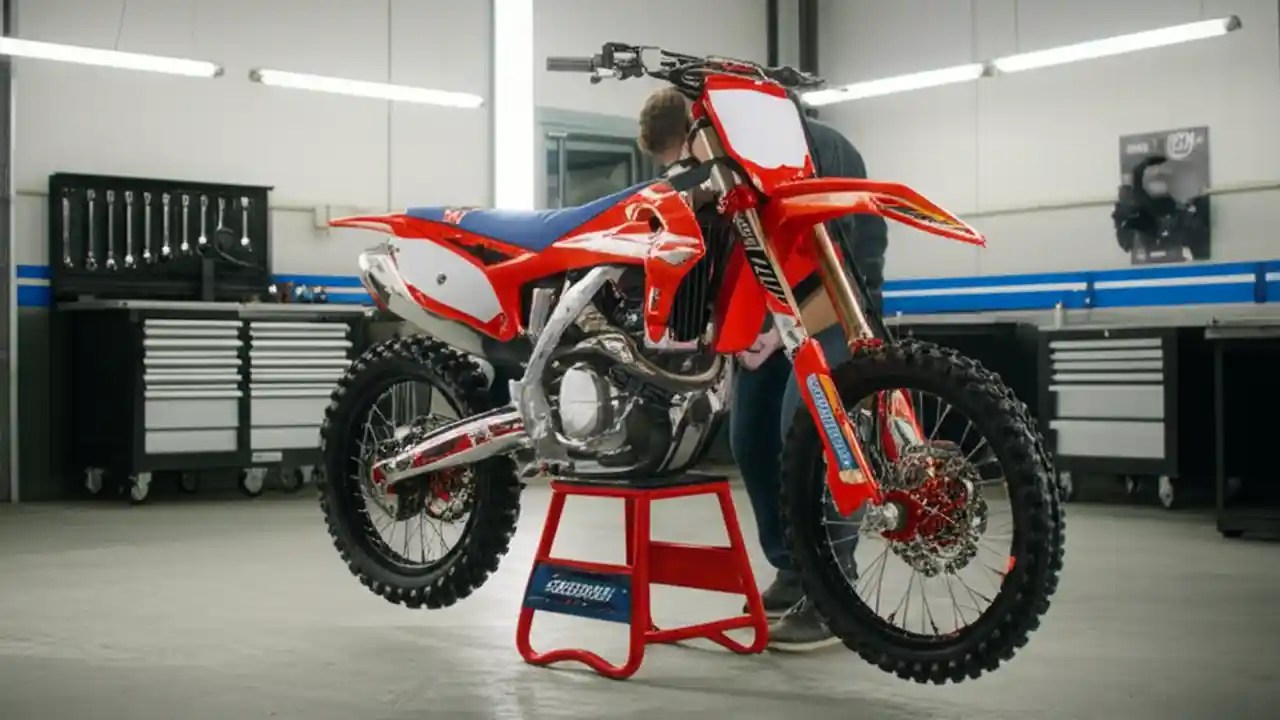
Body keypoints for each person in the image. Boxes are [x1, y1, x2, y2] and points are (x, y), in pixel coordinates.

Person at [637, 87, 888, 651]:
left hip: (836, 307)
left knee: (809, 431)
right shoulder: (718, 172)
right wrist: (737, 334)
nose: (691, 175)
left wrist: (780, 330)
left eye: (689, 160)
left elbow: (850, 272)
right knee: (749, 435)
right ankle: (794, 568)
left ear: (705, 128)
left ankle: (833, 590)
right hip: (772, 317)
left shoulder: (820, 153)